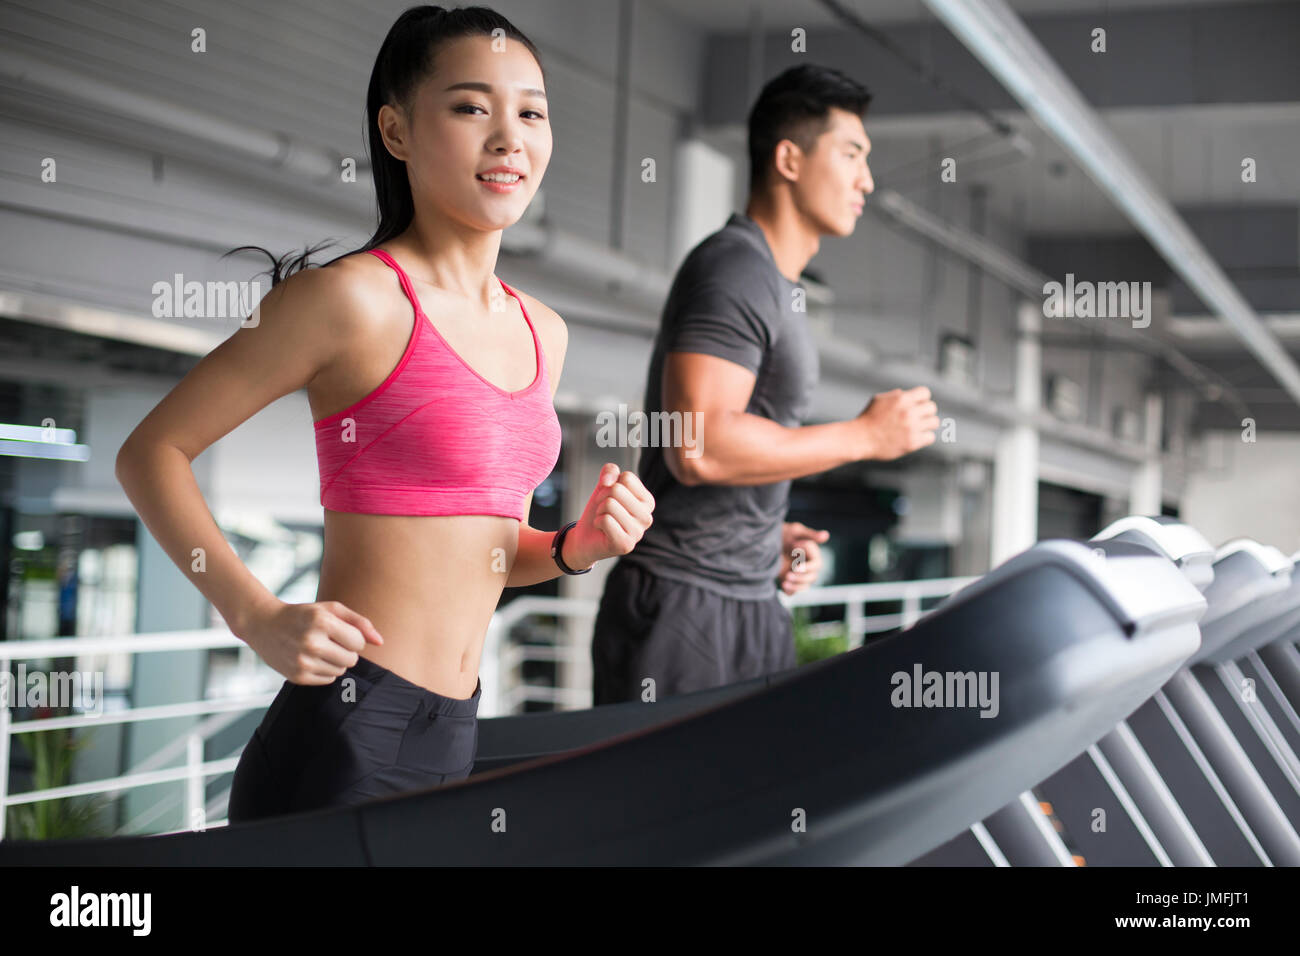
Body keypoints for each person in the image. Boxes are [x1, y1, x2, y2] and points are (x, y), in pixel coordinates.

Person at [113, 5, 654, 822]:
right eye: (472, 107)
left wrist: (576, 549)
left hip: (459, 729)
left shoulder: (543, 331)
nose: (509, 137)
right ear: (396, 131)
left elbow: (487, 551)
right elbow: (151, 452)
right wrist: (254, 613)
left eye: (531, 112)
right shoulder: (353, 300)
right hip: (348, 732)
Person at [591, 64, 938, 705]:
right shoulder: (736, 268)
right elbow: (700, 447)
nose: (867, 179)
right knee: (673, 805)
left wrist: (760, 536)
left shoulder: (776, 284)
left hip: (744, 593)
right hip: (688, 607)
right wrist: (864, 436)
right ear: (789, 158)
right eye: (851, 154)